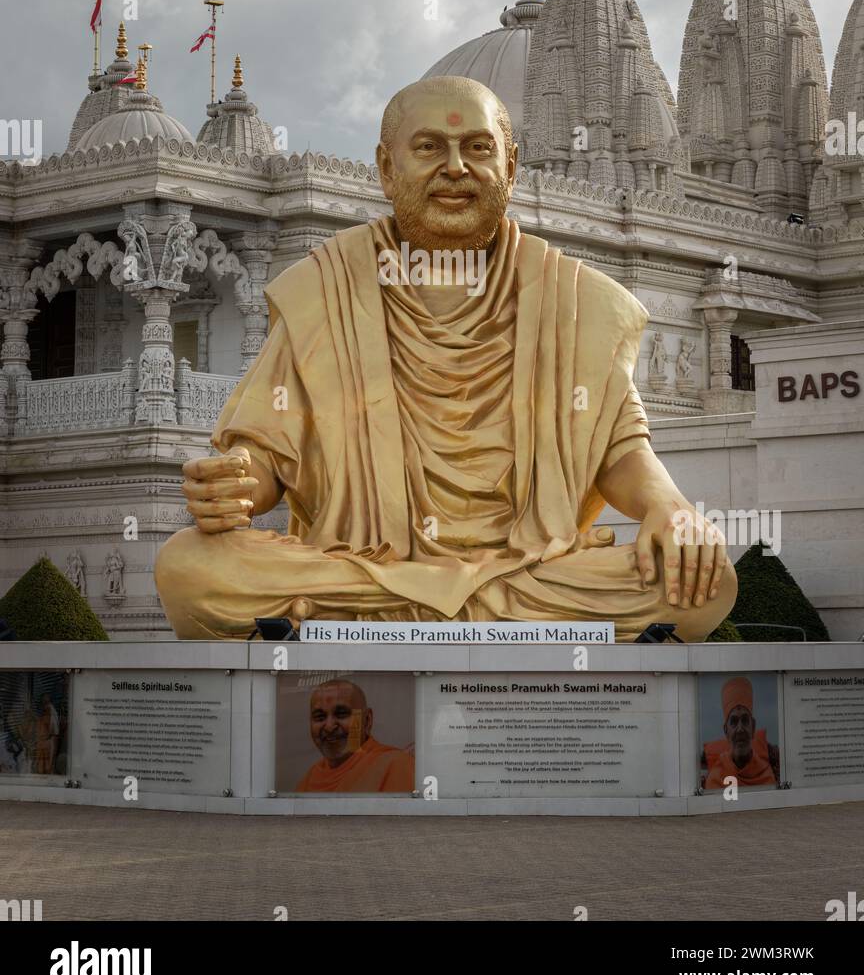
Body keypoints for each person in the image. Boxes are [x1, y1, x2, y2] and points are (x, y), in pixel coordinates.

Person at [156, 76, 736, 640]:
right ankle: (473, 618)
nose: (455, 167)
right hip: (366, 563)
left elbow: (622, 449)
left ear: (509, 166)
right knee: (188, 566)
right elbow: (263, 453)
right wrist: (235, 486)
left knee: (705, 581)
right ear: (386, 168)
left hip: (526, 568)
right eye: (430, 147)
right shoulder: (324, 291)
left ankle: (399, 620)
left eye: (477, 148)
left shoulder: (577, 299)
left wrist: (672, 509)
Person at [295, 679, 414, 793]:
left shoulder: (395, 765)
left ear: (367, 720)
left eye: (341, 714)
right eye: (320, 717)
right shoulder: (311, 777)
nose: (329, 727)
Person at [702, 676, 780, 790]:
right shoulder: (715, 779)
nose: (740, 729)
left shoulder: (766, 775)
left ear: (753, 727)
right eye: (733, 722)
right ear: (726, 731)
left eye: (744, 720)